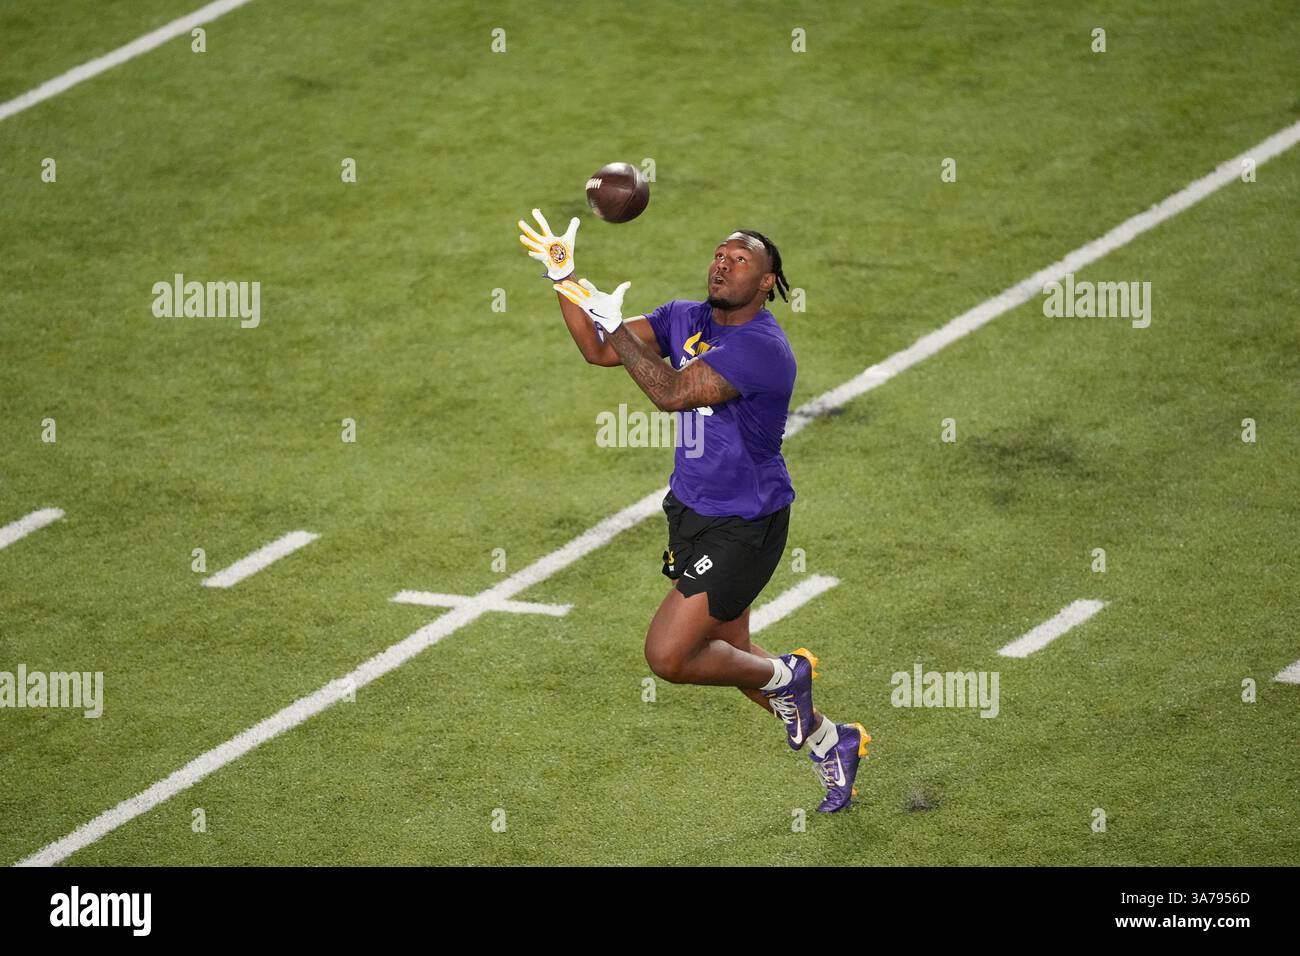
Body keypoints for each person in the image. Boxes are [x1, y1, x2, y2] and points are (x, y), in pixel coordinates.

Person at [518, 210, 869, 810]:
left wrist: (614, 326)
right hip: (690, 512)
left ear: (766, 283)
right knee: (730, 658)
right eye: (719, 254)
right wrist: (566, 278)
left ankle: (791, 676)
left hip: (747, 523)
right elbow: (599, 352)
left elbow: (670, 392)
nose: (723, 264)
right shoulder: (685, 315)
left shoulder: (762, 348)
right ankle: (831, 741)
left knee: (671, 655)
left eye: (740, 261)